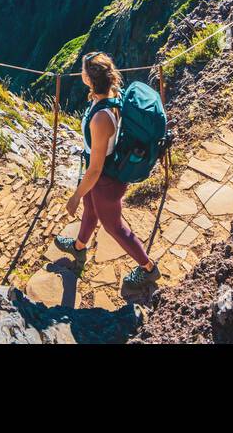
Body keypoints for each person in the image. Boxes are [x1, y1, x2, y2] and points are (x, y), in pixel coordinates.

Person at [54, 51, 158, 290]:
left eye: (83, 71)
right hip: (103, 176)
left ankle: (148, 268)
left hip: (106, 181)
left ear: (90, 79)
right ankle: (79, 246)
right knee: (91, 209)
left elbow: (95, 169)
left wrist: (75, 196)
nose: (81, 73)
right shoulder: (112, 95)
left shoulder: (101, 118)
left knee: (115, 227)